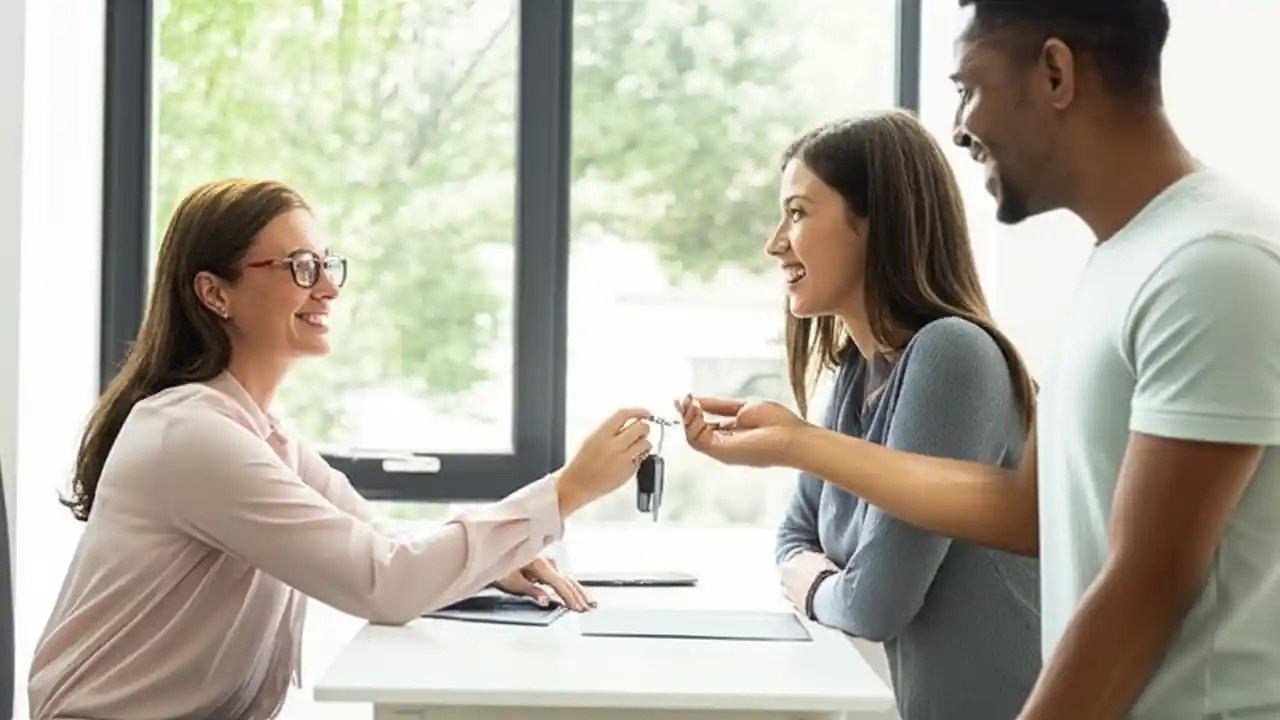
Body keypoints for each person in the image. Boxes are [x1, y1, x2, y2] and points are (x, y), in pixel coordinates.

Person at [679, 1, 1280, 718]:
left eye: (970, 86)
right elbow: (1035, 511)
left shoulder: (1212, 264)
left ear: (1055, 73)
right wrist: (798, 444)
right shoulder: (1125, 261)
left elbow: (1143, 586)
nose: (960, 128)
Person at [29, 179, 655, 719]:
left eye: (330, 264)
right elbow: (387, 583)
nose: (328, 286)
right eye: (301, 267)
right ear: (214, 293)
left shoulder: (260, 434)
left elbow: (380, 545)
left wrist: (491, 561)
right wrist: (568, 490)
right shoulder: (194, 437)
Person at [766, 110, 1042, 719]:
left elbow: (876, 607)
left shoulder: (953, 355)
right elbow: (793, 535)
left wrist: (811, 584)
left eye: (798, 212)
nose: (775, 242)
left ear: (874, 223)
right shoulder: (853, 376)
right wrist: (823, 576)